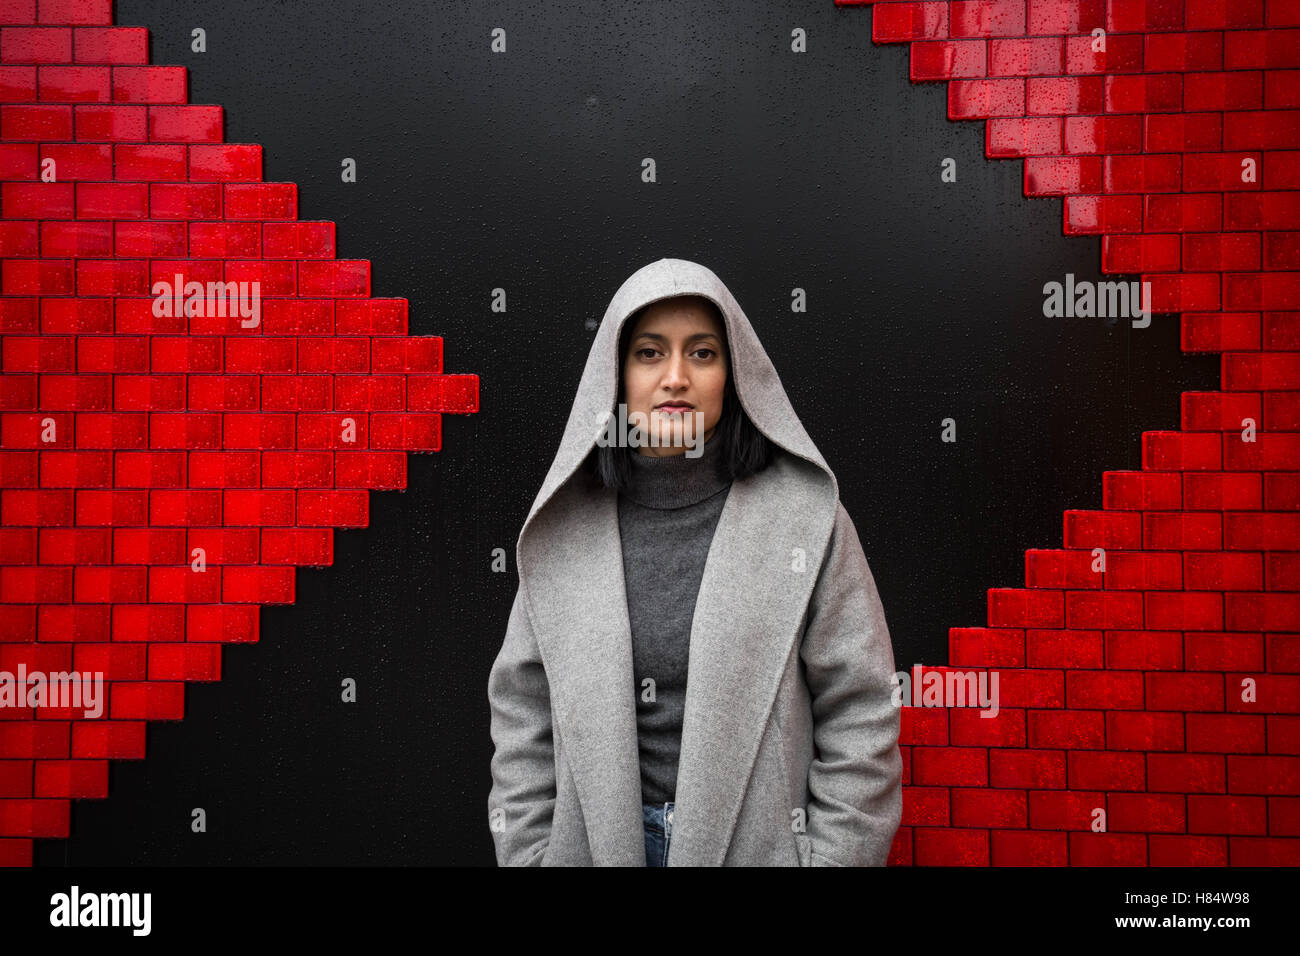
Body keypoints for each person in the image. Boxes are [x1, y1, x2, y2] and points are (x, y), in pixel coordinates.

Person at [487, 257, 902, 866]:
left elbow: (862, 706)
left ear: (734, 377)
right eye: (650, 353)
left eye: (702, 354)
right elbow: (522, 707)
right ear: (617, 376)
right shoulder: (564, 528)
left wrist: (832, 860)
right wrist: (531, 855)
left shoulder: (804, 520)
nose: (676, 377)